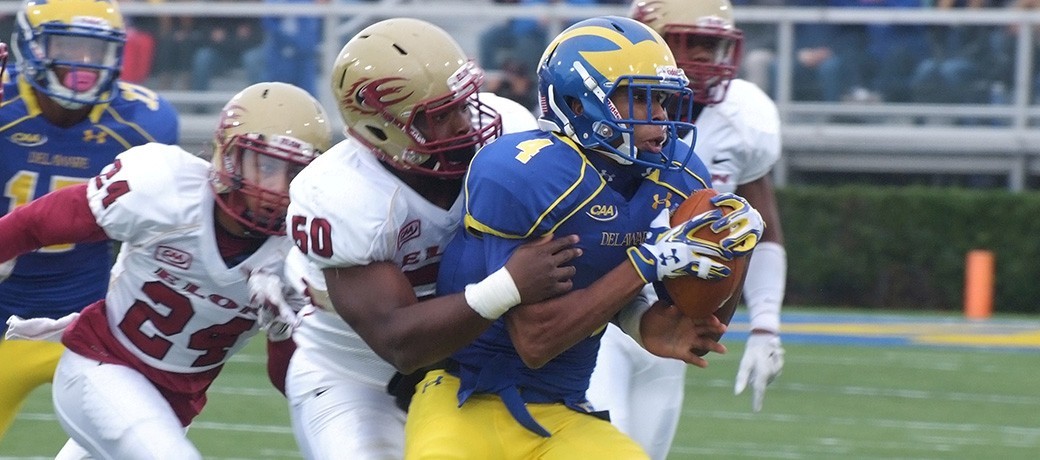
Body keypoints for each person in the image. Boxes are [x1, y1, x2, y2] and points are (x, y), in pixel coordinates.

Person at [407, 16, 764, 459]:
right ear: (578, 105)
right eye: (640, 98)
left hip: (562, 410)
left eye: (665, 100)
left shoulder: (677, 173)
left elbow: (693, 323)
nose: (660, 117)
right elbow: (535, 342)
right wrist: (645, 263)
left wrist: (732, 250)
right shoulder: (524, 172)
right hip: (462, 397)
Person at [282, 18, 584, 459]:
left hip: (474, 368)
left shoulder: (507, 132)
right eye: (440, 115)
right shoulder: (342, 194)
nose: (465, 123)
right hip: (359, 379)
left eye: (463, 103)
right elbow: (400, 343)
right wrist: (511, 285)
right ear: (380, 127)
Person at [0, 81, 331, 459]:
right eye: (267, 165)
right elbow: (40, 223)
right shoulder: (166, 188)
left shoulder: (301, 249)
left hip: (170, 407)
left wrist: (282, 328)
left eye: (294, 174)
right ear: (228, 156)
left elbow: (294, 383)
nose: (277, 187)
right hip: (100, 362)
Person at [586, 2, 788, 458]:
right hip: (601, 317)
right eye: (690, 43)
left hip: (674, 315)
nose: (703, 59)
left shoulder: (741, 116)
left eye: (713, 45)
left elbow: (761, 230)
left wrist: (766, 325)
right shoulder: (591, 116)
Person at [0, 0, 178, 442]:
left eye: (94, 52)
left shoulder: (143, 122)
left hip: (91, 318)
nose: (82, 65)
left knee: (137, 441)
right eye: (67, 47)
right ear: (32, 49)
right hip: (3, 306)